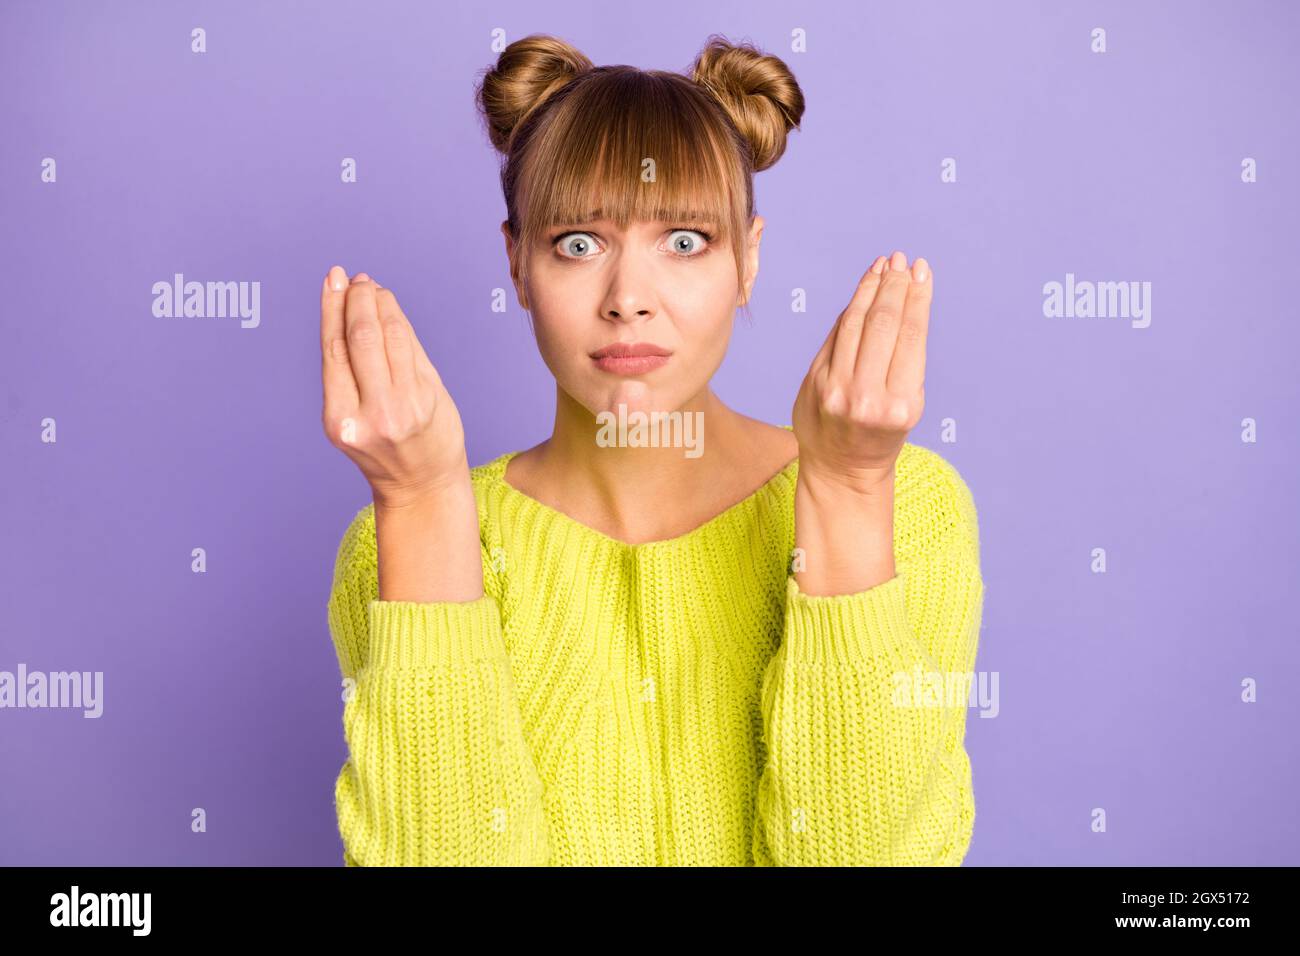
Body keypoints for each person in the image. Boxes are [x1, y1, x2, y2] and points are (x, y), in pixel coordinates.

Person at [320, 33, 984, 866]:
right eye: (578, 244)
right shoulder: (392, 545)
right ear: (517, 265)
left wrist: (847, 493)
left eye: (683, 242)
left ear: (749, 259)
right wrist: (420, 509)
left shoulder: (908, 506)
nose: (629, 300)